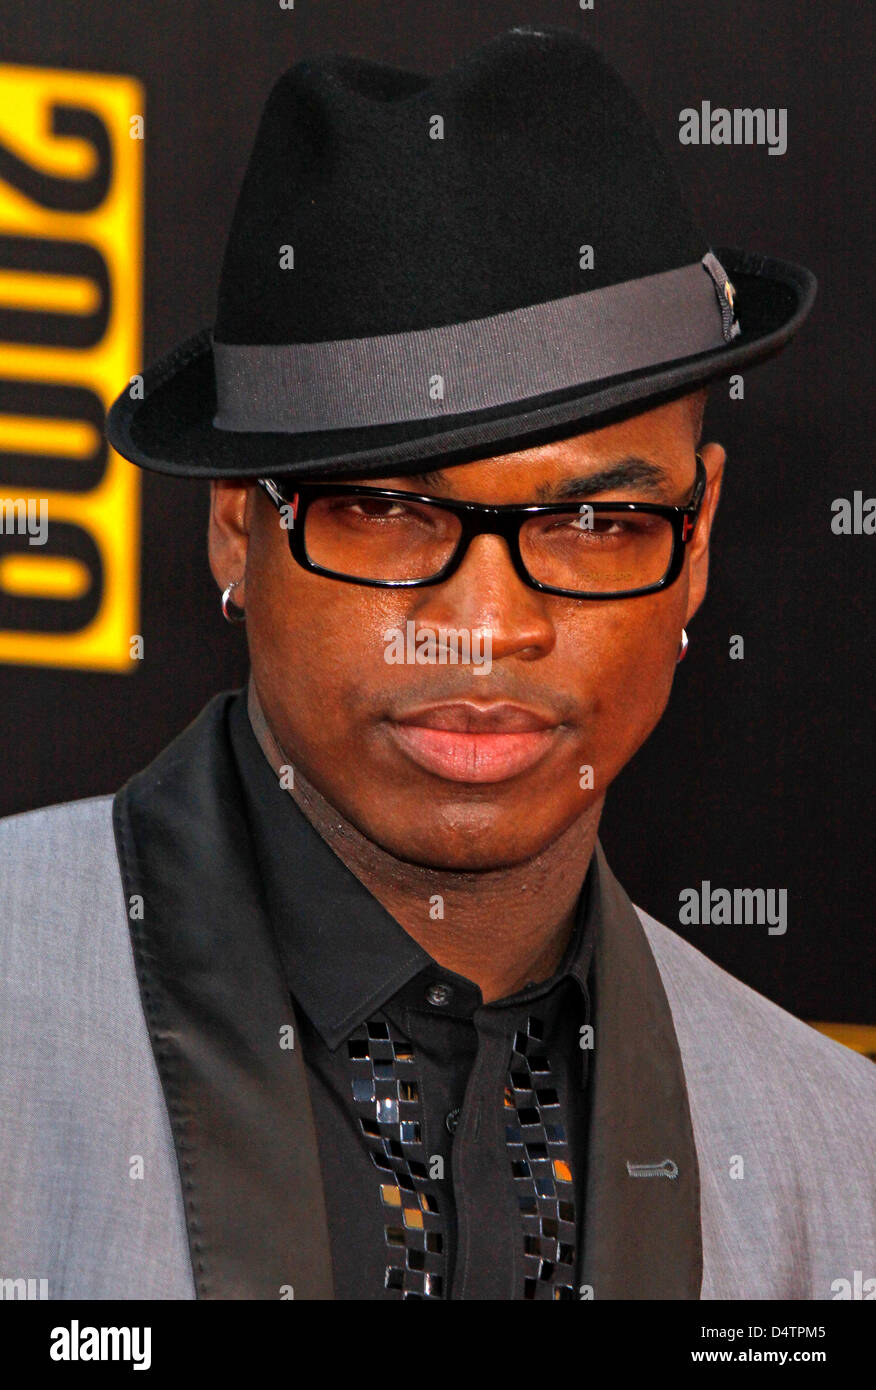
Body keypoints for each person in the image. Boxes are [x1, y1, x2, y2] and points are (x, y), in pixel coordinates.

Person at [1, 25, 873, 1302]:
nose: (484, 624)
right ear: (238, 523)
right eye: (388, 511)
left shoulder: (840, 1157)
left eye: (595, 523)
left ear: (698, 540)